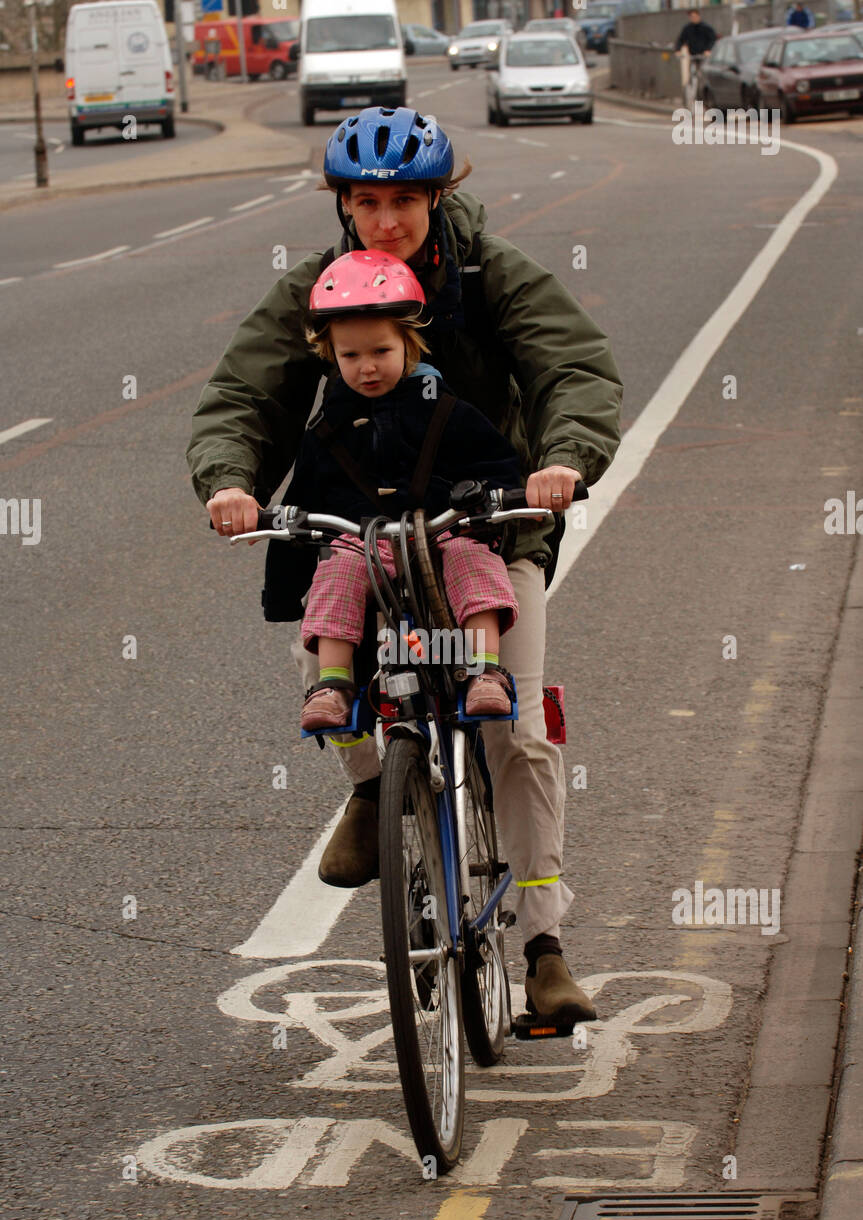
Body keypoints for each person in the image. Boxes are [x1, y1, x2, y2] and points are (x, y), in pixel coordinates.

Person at [186, 106, 623, 1029]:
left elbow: (572, 368)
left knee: (517, 733)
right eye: (368, 202)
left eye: (406, 202)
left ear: (437, 199)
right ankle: (369, 786)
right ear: (344, 204)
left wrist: (563, 461)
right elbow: (243, 394)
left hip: (491, 524)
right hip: (365, 522)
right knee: (322, 665)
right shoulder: (323, 286)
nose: (387, 221)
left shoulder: (487, 274)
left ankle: (544, 946)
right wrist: (230, 482)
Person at [294, 249, 522, 730]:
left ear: (410, 346)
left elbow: (499, 463)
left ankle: (484, 673)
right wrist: (283, 531)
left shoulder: (446, 410)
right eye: (350, 356)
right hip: (368, 540)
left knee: (471, 556)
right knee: (338, 569)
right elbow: (307, 499)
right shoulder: (327, 426)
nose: (367, 367)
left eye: (381, 351)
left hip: (441, 532)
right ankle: (333, 686)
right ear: (331, 355)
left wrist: (495, 497)